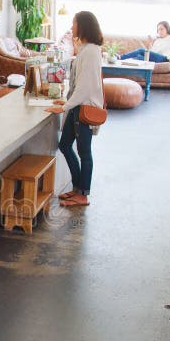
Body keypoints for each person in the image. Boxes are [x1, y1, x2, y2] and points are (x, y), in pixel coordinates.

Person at [56, 11, 104, 207]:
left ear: (82, 26)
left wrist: (66, 106)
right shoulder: (85, 49)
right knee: (65, 145)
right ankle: (77, 188)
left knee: (84, 151)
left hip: (84, 108)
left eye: (74, 23)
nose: (71, 26)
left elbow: (84, 88)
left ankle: (83, 194)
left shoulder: (91, 52)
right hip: (77, 107)